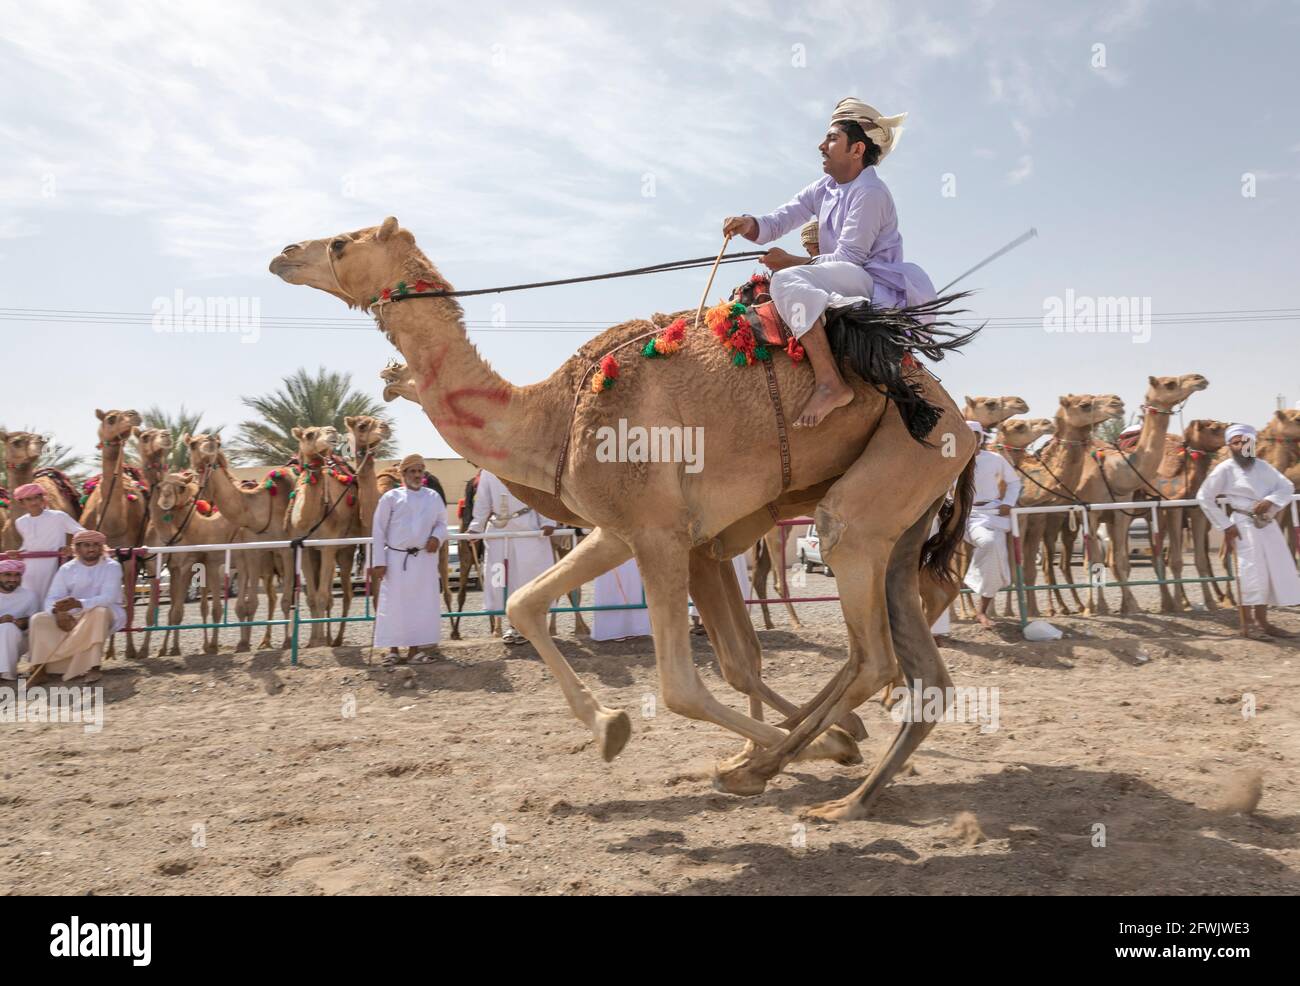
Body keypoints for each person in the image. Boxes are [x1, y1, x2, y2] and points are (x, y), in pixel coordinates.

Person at [723, 96, 935, 428]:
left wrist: (789, 262)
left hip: (869, 282)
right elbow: (781, 219)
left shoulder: (871, 193)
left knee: (786, 281)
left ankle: (830, 383)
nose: (822, 145)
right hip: (842, 274)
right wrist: (749, 224)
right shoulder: (826, 187)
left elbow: (849, 259)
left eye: (832, 138)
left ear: (857, 150)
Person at [1196, 423, 1300, 638]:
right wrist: (1226, 525)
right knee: (1250, 573)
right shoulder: (1224, 469)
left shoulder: (1263, 467)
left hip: (1266, 524)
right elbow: (1204, 497)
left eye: (1246, 441)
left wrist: (1269, 500)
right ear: (1230, 445)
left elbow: (1287, 487)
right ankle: (1248, 625)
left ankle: (1263, 623)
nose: (1242, 446)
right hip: (1242, 525)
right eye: (1237, 442)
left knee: (1270, 572)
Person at [370, 453, 449, 665]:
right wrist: (379, 561)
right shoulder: (391, 498)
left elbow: (442, 523)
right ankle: (393, 650)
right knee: (395, 604)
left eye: (419, 471)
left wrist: (436, 537)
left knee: (420, 604)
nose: (416, 475)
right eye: (412, 471)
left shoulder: (433, 497)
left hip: (423, 559)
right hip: (396, 559)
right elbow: (378, 530)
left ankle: (415, 651)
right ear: (403, 474)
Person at [467, 469, 556, 645]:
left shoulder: (526, 464)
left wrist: (547, 521)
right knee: (501, 578)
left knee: (530, 577)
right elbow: (483, 502)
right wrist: (476, 527)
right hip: (499, 529)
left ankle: (534, 626)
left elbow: (541, 494)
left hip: (528, 526)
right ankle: (513, 626)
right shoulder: (488, 470)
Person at [26, 530, 124, 684]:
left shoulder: (112, 566)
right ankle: (40, 669)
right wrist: (57, 611)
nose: (91, 549)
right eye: (86, 545)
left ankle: (93, 667)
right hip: (72, 614)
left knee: (98, 612)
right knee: (39, 619)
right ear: (77, 549)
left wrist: (80, 604)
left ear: (101, 547)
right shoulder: (67, 569)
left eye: (95, 545)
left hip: (106, 612)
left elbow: (108, 597)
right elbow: (52, 597)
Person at [963, 421, 1021, 627]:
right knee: (989, 543)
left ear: (981, 437)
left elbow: (1014, 482)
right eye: (968, 434)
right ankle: (970, 581)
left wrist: (1008, 502)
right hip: (965, 515)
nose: (973, 439)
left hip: (993, 513)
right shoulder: (951, 459)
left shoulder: (995, 459)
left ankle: (982, 609)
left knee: (994, 545)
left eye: (976, 435)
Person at [6, 483, 82, 604]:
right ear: (22, 503)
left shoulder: (58, 516)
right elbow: (28, 544)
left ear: (42, 499)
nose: (34, 502)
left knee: (52, 598)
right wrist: (19, 552)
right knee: (30, 598)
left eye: (36, 497)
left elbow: (82, 533)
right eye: (28, 499)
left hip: (53, 564)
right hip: (30, 567)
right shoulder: (21, 522)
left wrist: (72, 547)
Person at [591, 557, 651, 642]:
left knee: (632, 586)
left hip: (629, 554)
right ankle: (614, 630)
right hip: (607, 554)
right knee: (611, 588)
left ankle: (631, 628)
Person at [0, 558, 38, 681]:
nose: (13, 579)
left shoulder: (29, 596)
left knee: (8, 628)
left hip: (17, 641)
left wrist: (24, 622)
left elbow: (34, 622)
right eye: (7, 575)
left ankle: (6, 673)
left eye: (17, 575)